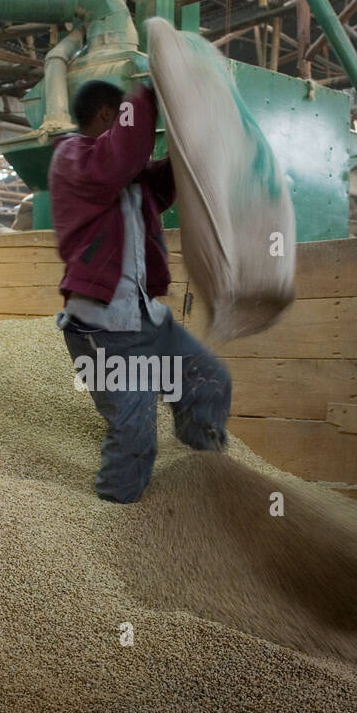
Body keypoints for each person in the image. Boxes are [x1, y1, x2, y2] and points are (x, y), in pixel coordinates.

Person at [48, 79, 231, 503]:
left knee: (209, 381)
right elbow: (121, 158)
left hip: (143, 317)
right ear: (107, 115)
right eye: (125, 117)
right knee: (134, 432)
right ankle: (117, 513)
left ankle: (200, 470)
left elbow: (163, 180)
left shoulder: (125, 174)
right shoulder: (73, 158)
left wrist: (194, 137)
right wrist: (149, 94)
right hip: (102, 326)